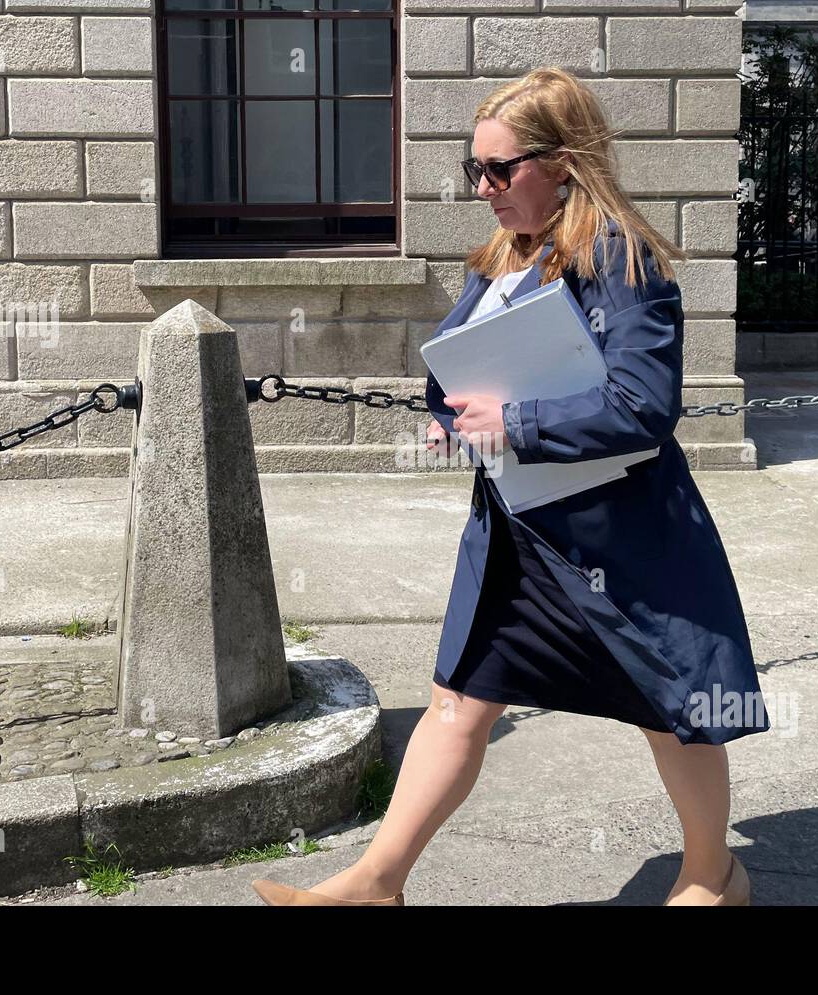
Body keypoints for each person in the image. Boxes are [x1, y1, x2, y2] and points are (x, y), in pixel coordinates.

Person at [252, 67, 768, 908]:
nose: (483, 188)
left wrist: (516, 423)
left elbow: (643, 407)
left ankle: (714, 873)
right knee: (459, 699)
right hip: (517, 538)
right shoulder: (502, 256)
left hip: (616, 542)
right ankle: (374, 886)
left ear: (563, 163)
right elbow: (462, 368)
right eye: (474, 171)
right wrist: (451, 418)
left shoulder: (623, 260)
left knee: (667, 707)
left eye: (500, 171)